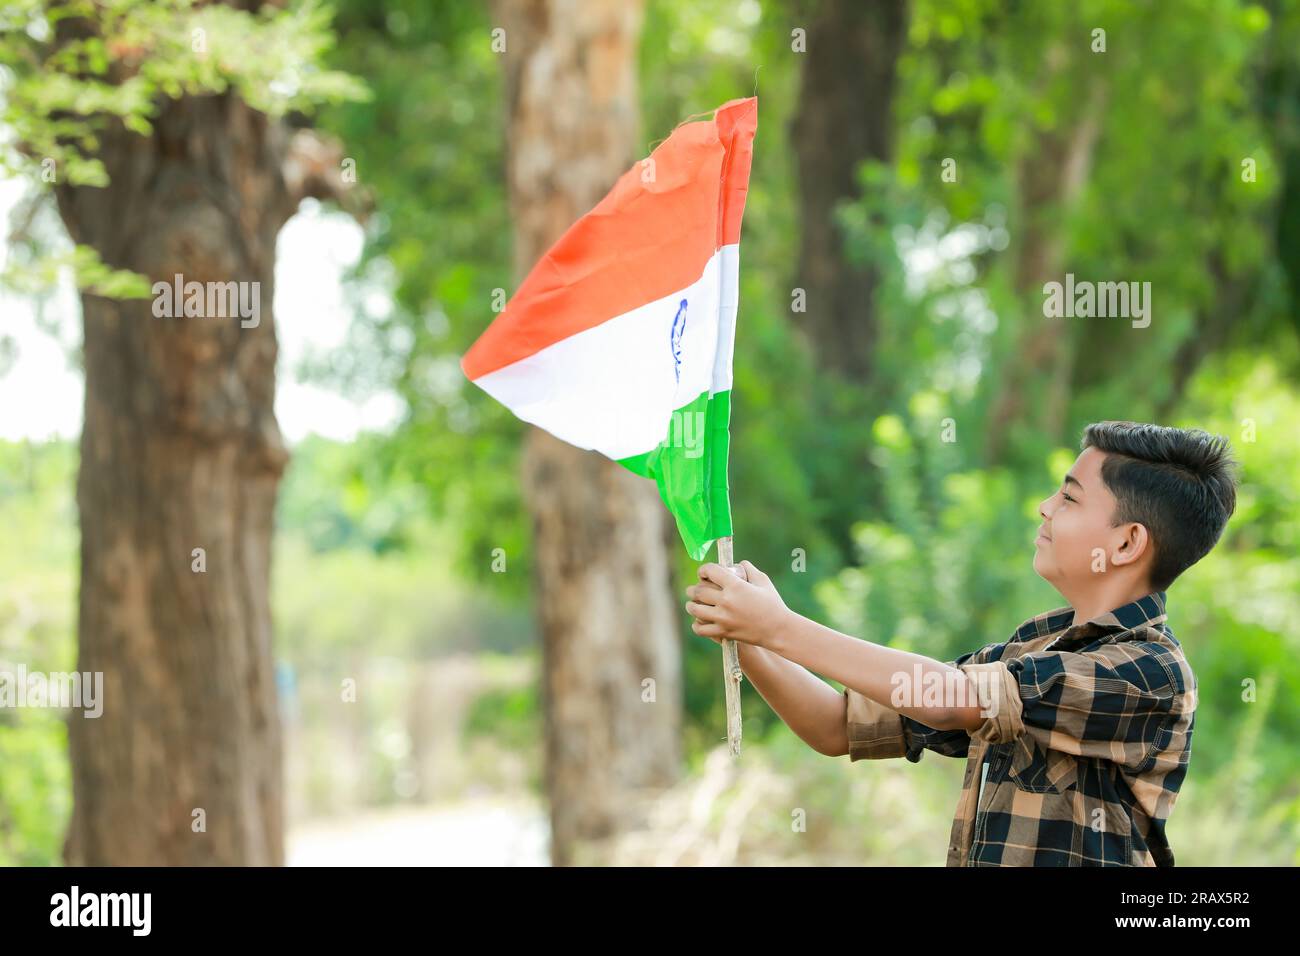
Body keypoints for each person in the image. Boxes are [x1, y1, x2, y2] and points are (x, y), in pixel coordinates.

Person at [684, 421, 1238, 866]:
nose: (1044, 507)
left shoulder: (1150, 671)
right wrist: (750, 637)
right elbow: (833, 725)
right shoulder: (1034, 647)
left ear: (1126, 542)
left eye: (1069, 498)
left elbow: (949, 697)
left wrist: (779, 626)